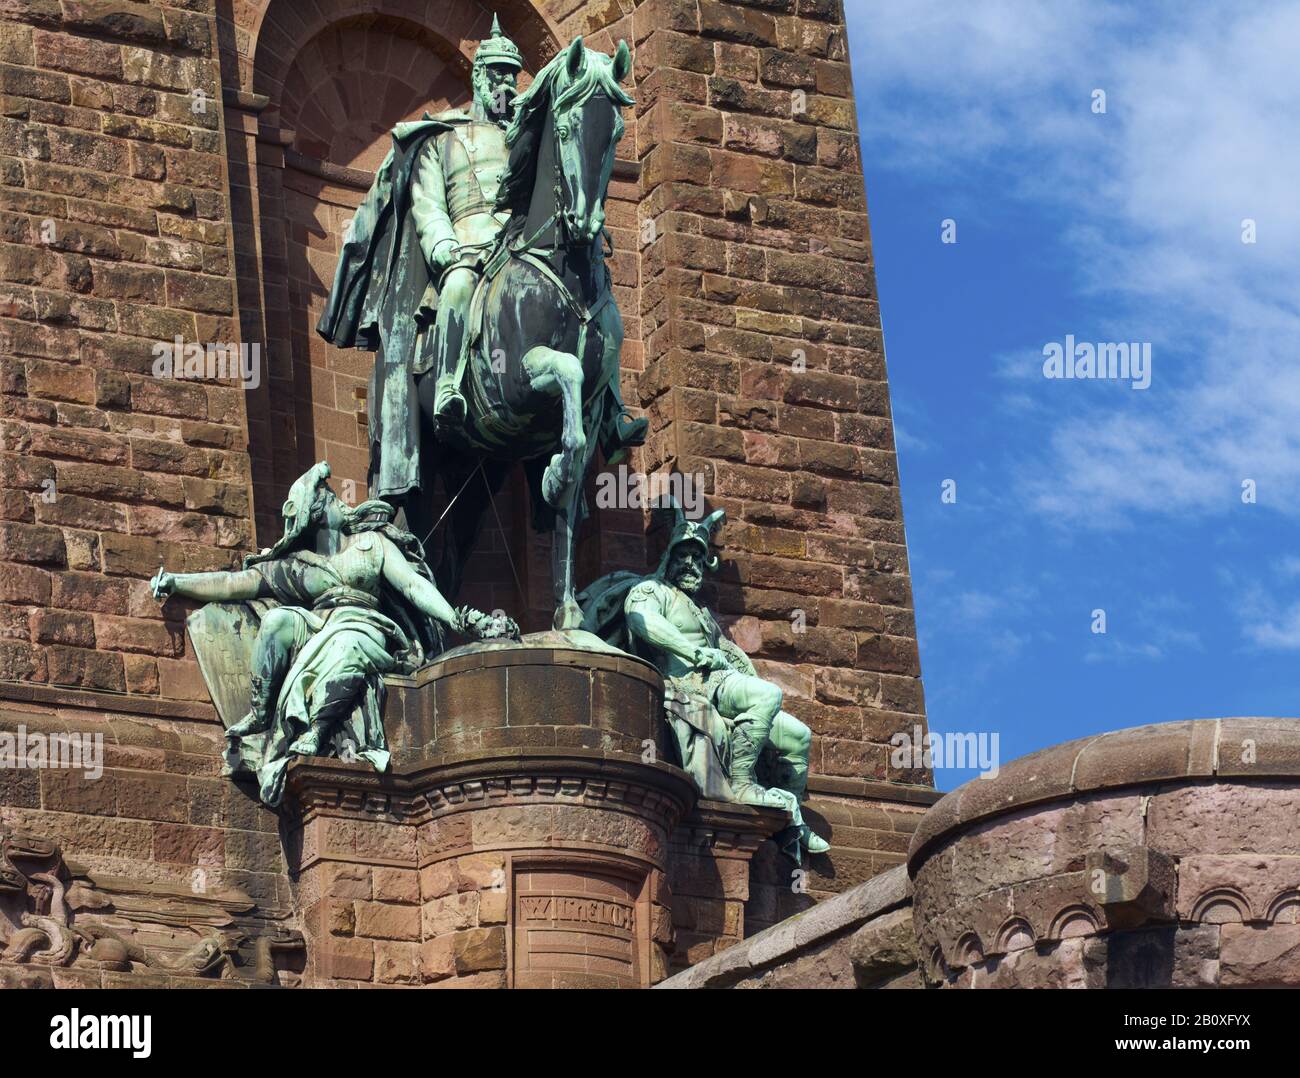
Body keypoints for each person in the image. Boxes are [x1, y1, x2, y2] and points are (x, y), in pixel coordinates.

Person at [151, 462, 517, 806]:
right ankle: (261, 714)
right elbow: (235, 585)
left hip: (367, 626)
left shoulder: (371, 544)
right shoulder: (299, 567)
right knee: (277, 620)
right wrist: (176, 582)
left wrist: (456, 619)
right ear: (317, 511)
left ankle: (316, 729)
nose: (342, 501)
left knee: (347, 643)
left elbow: (411, 586)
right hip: (320, 624)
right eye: (331, 497)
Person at [579, 504, 830, 857]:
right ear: (670, 557)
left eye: (698, 558)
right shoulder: (652, 591)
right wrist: (692, 653)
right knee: (768, 696)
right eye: (683, 555)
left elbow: (730, 656)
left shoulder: (704, 615)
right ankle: (742, 785)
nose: (691, 564)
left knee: (798, 738)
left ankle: (791, 822)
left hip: (720, 683)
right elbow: (642, 621)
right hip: (690, 684)